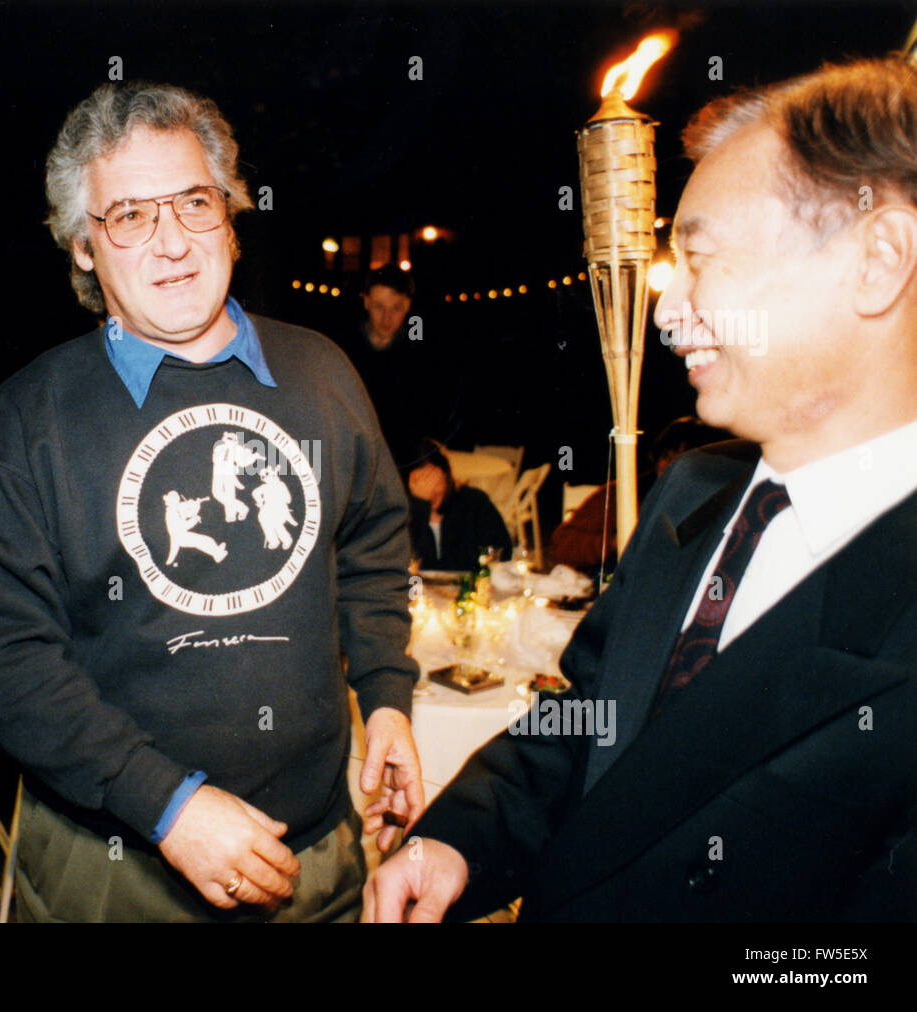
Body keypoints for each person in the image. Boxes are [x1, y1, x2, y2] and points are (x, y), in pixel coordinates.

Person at [365, 57, 917, 922]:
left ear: (877, 261)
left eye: (703, 260)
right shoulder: (692, 495)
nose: (667, 312)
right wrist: (460, 840)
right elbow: (586, 721)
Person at [0, 81, 423, 922]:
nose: (172, 243)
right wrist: (167, 804)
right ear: (83, 247)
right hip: (114, 874)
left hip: (319, 859)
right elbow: (4, 654)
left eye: (194, 203)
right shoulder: (28, 415)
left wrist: (387, 697)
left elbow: (373, 547)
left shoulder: (323, 371)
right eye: (130, 215)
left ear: (231, 216)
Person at [548, 417, 729, 575]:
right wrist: (613, 542)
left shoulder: (719, 504)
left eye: (683, 461)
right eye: (667, 457)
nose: (671, 468)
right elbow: (562, 545)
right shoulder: (623, 495)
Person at [339, 265, 420, 464]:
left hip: (400, 458)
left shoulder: (416, 353)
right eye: (379, 306)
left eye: (396, 308)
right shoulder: (344, 348)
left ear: (408, 306)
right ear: (366, 302)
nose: (387, 318)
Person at [405, 440, 511, 569]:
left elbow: (502, 549)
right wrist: (421, 506)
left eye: (435, 482)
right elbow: (412, 564)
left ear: (446, 475)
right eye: (419, 481)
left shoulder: (474, 502)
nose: (430, 491)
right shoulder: (404, 513)